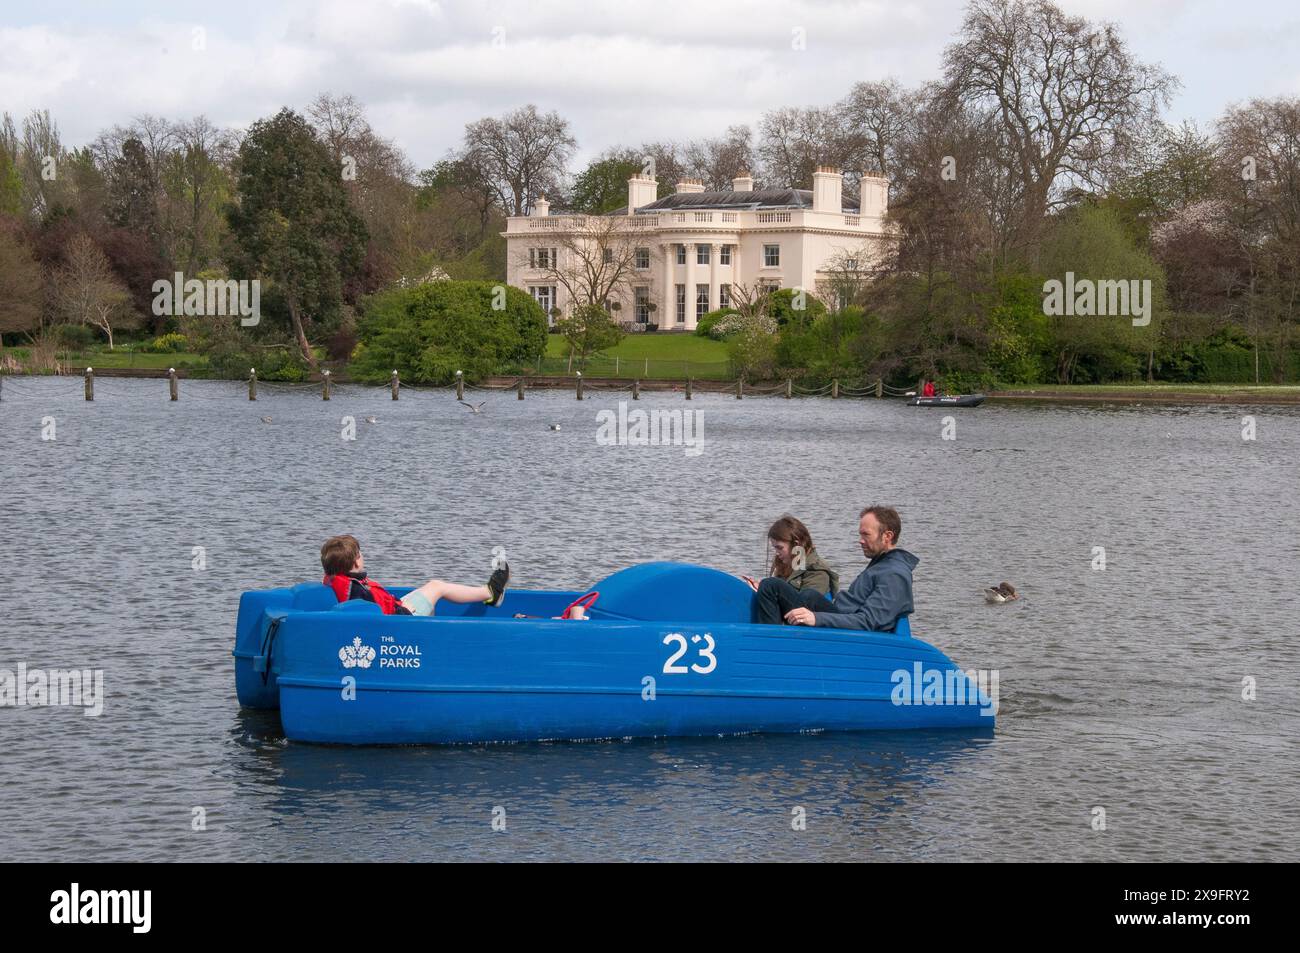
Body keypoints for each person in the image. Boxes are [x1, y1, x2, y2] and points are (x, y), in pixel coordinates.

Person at [762, 506, 918, 632]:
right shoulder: (882, 564)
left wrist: (816, 618)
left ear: (887, 536)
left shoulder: (894, 574)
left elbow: (868, 622)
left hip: (852, 637)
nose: (860, 541)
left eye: (866, 535)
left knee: (771, 587)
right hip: (841, 619)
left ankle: (768, 647)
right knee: (809, 596)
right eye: (860, 534)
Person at [320, 534, 509, 616]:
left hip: (396, 609)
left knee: (429, 591)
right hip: (400, 619)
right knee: (437, 586)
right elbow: (376, 617)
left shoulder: (339, 580)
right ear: (356, 562)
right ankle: (491, 593)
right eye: (360, 554)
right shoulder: (358, 590)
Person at [748, 517, 839, 620]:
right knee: (768, 585)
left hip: (813, 621)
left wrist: (771, 587)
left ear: (796, 545)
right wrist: (762, 591)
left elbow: (808, 605)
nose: (777, 553)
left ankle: (770, 633)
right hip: (793, 617)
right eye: (774, 548)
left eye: (779, 548)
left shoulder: (817, 570)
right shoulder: (786, 566)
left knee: (771, 585)